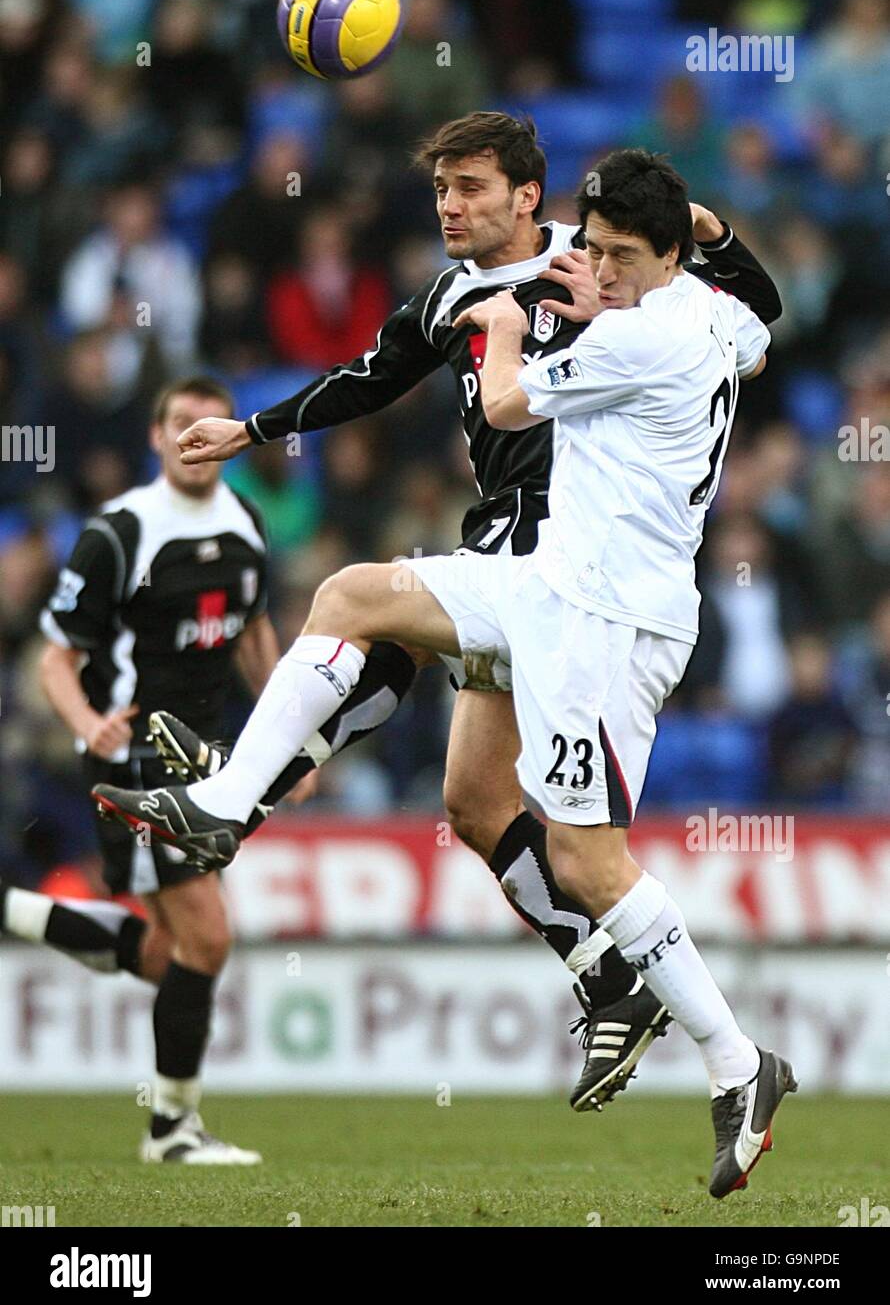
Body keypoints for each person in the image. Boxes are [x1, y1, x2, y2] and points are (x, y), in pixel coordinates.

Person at [95, 150, 797, 1197]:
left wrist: (512, 330)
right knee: (354, 605)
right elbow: (760, 306)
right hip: (547, 583)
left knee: (589, 860)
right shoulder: (705, 312)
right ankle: (224, 802)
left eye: (611, 254)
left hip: (606, 621)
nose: (592, 269)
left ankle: (735, 1059)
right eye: (589, 247)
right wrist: (700, 226)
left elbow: (510, 402)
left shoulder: (635, 331)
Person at [0, 376, 285, 1164]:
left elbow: (255, 631)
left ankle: (14, 912)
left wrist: (287, 725)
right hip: (137, 767)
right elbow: (59, 656)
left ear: (231, 435)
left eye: (209, 424)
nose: (194, 436)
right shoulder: (121, 532)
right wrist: (89, 723)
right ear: (156, 439)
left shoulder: (246, 523)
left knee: (170, 956)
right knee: (210, 938)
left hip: (213, 771)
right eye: (179, 424)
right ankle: (171, 1130)